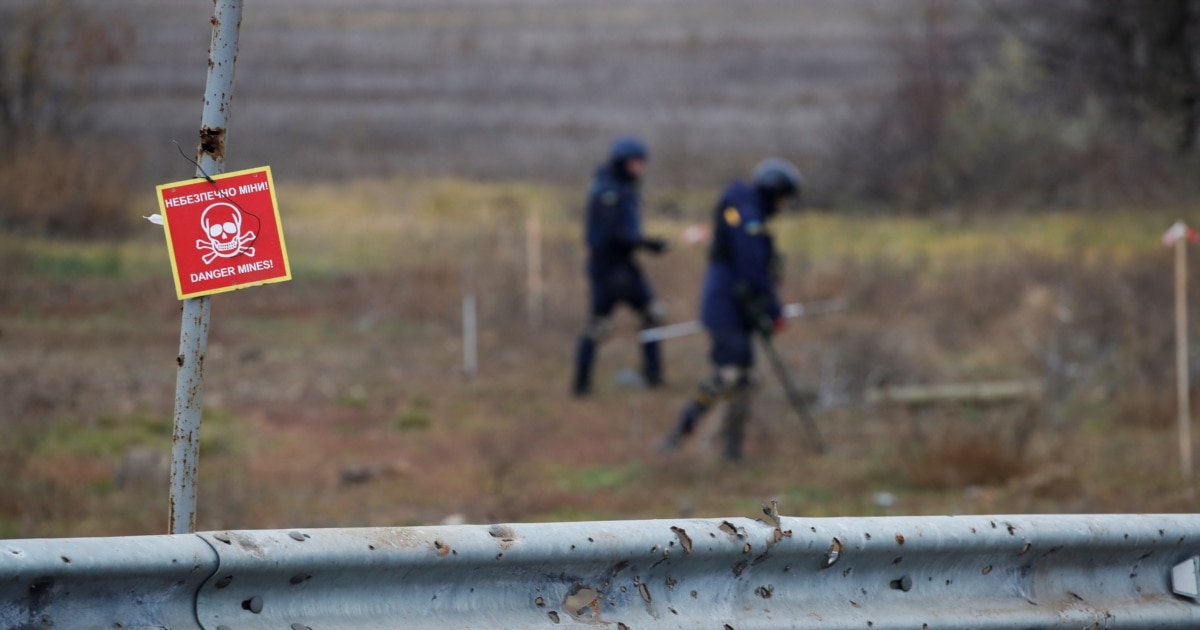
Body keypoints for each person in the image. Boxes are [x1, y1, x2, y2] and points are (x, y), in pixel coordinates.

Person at [656, 158, 803, 460]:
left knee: (745, 378)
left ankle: (731, 448)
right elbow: (753, 269)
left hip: (740, 310)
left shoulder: (748, 211)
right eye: (783, 197)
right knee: (729, 375)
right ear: (774, 193)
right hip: (725, 310)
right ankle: (679, 434)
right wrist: (774, 310)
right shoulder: (746, 215)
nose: (784, 204)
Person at [571, 136, 670, 396]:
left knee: (647, 316)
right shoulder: (609, 192)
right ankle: (582, 384)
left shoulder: (622, 188)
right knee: (602, 325)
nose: (640, 169)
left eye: (641, 163)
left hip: (621, 264)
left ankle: (652, 375)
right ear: (622, 163)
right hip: (611, 267)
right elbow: (614, 235)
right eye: (635, 163)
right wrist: (649, 244)